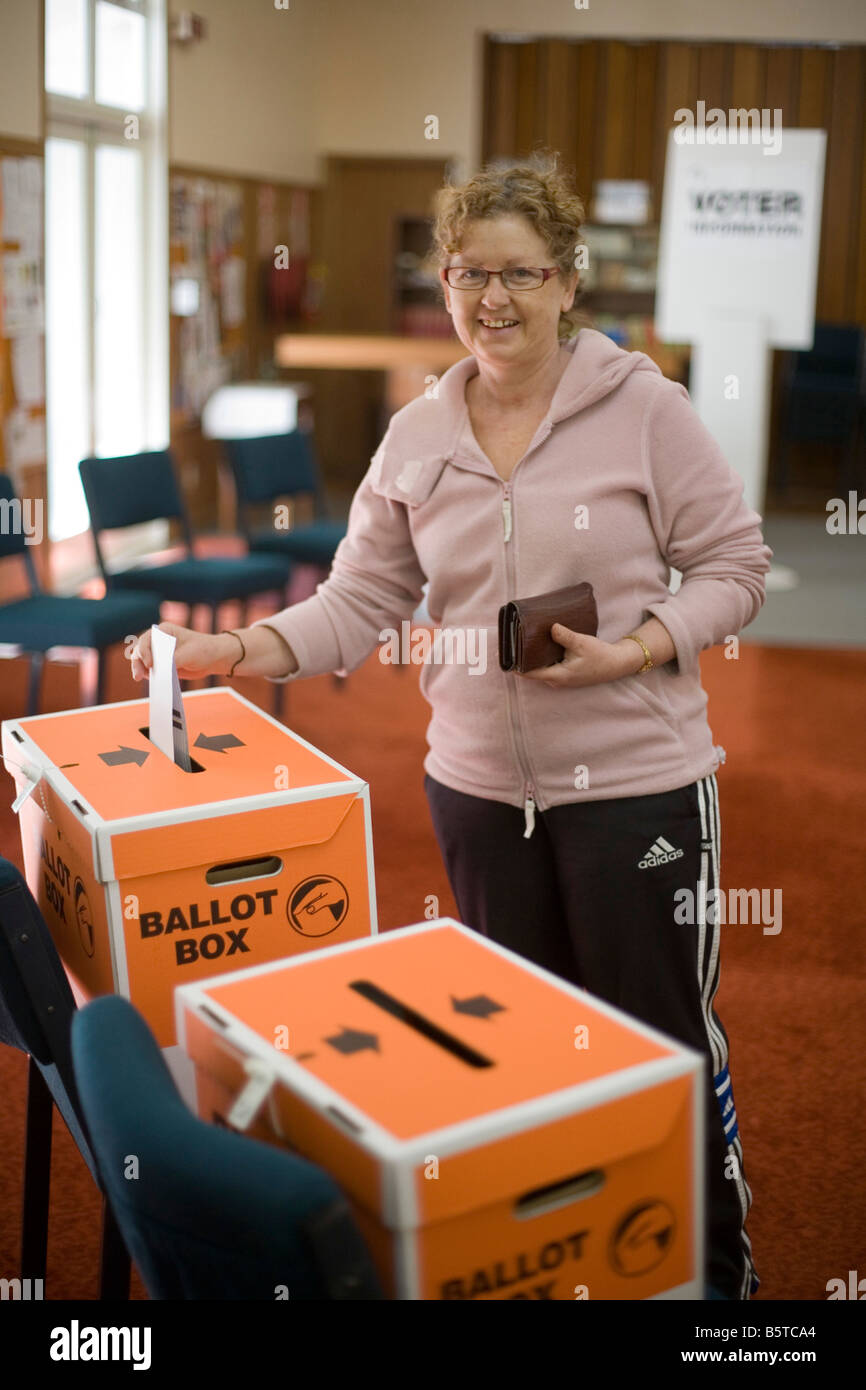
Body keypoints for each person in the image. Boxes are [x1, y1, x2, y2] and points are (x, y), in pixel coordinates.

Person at [130, 154, 771, 1301]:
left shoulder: (642, 409)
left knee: (661, 1044)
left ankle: (712, 1286)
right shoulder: (419, 432)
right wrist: (244, 649)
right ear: (443, 277)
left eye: (521, 274)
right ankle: (574, 1268)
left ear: (567, 282)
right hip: (476, 788)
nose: (494, 299)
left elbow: (734, 564)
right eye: (471, 273)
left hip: (636, 787)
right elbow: (360, 597)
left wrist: (640, 646)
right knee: (522, 1057)